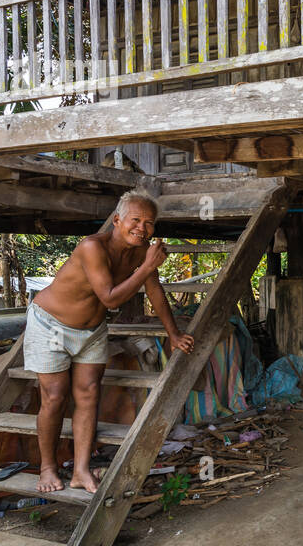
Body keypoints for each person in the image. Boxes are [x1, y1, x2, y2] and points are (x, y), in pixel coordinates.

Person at [24, 190, 194, 494]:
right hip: (50, 324)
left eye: (149, 223)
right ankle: (47, 468)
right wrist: (148, 267)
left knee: (89, 395)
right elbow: (110, 297)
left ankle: (80, 471)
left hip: (92, 330)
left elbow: (155, 292)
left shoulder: (141, 253)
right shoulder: (92, 247)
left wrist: (173, 334)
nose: (142, 228)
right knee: (55, 396)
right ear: (117, 220)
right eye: (135, 220)